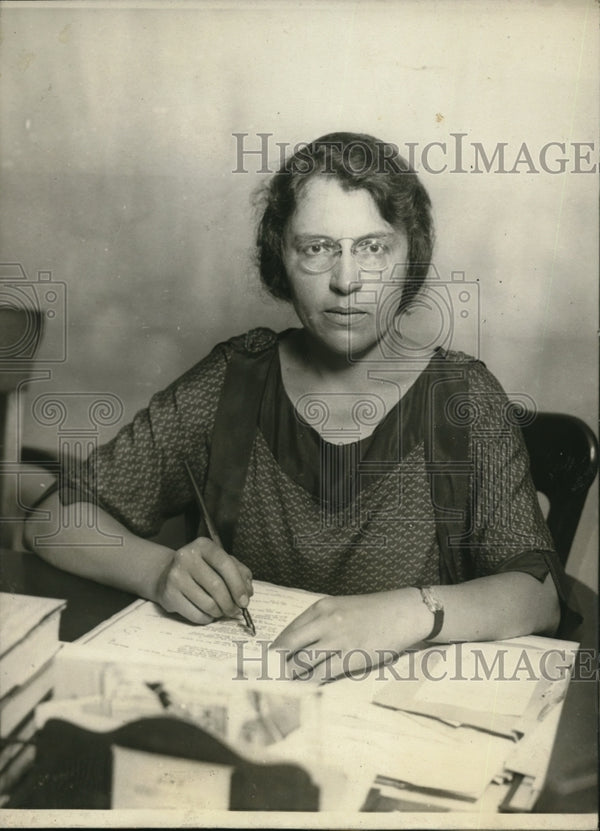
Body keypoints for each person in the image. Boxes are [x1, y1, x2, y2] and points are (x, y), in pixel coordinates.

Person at [25, 132, 568, 681]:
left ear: (411, 258)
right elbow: (50, 519)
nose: (346, 281)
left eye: (373, 248)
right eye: (316, 248)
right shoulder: (234, 380)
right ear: (279, 259)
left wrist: (408, 613)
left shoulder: (462, 397)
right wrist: (159, 570)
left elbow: (539, 594)